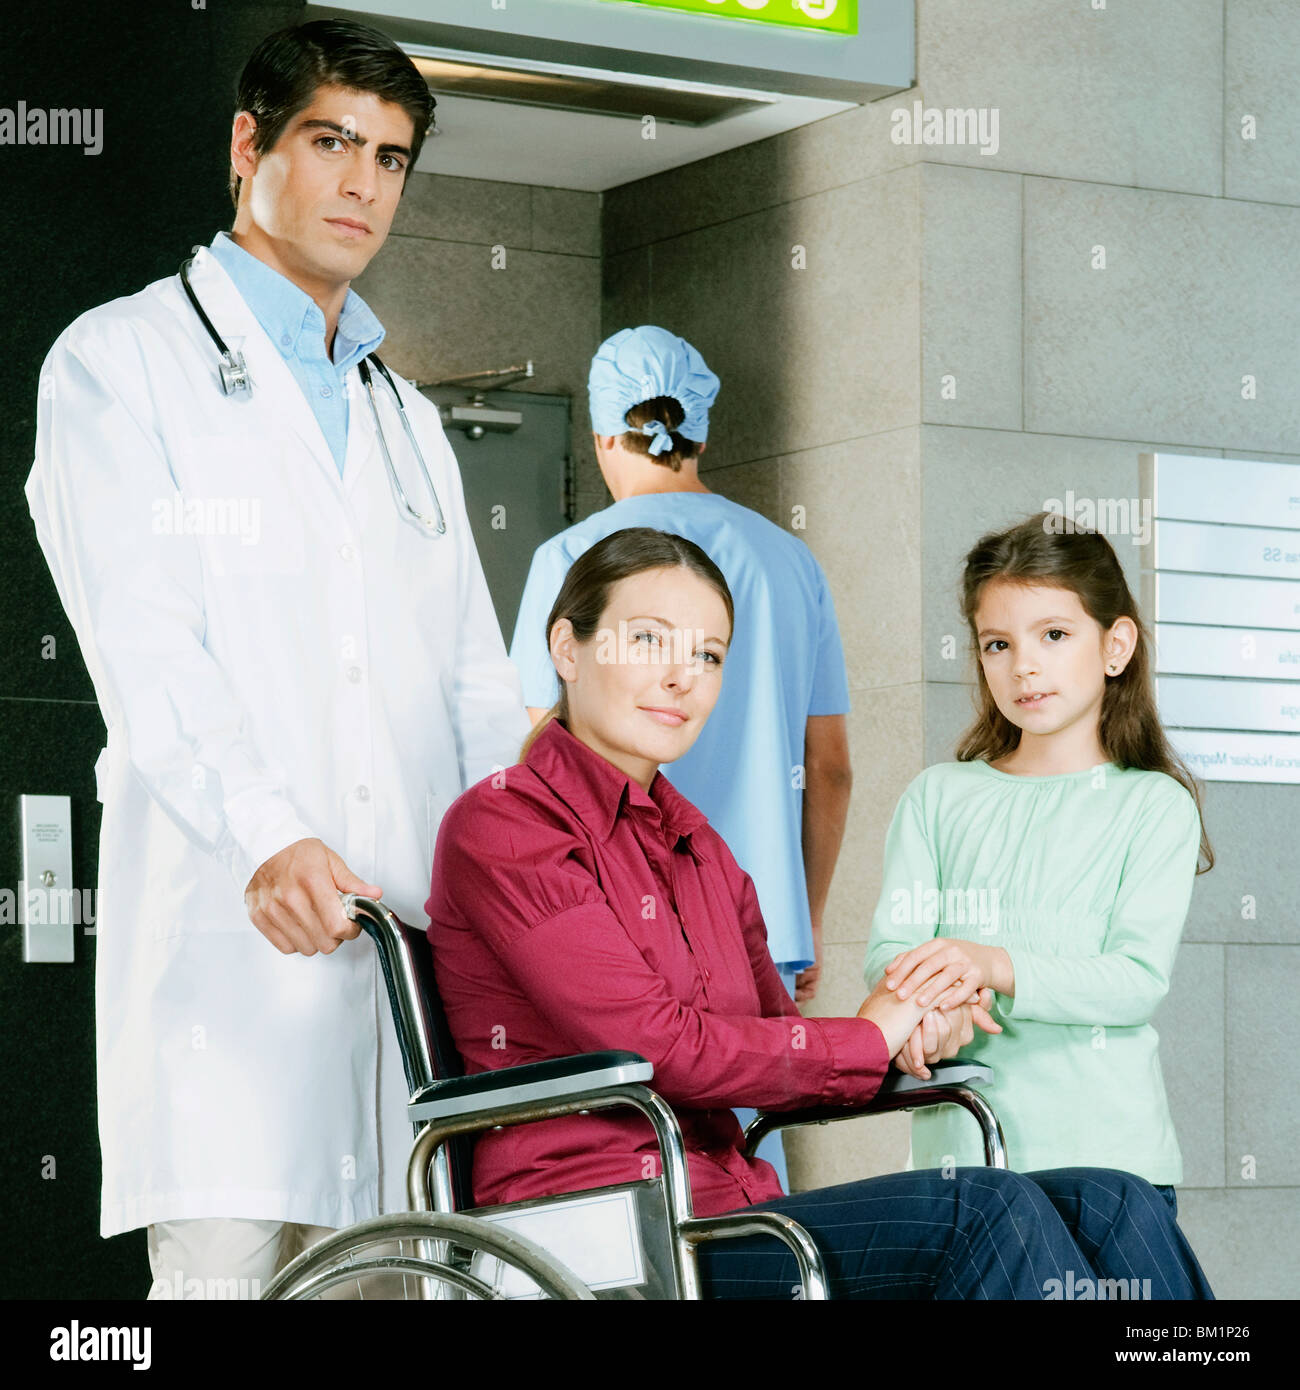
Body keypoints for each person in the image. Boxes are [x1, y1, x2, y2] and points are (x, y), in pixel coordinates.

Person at [25, 19, 528, 1298]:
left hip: (405, 983)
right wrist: (262, 833)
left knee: (401, 1278)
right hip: (229, 978)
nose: (364, 184)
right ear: (249, 145)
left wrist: (523, 884)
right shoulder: (118, 362)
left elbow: (475, 678)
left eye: (393, 159)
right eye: (331, 142)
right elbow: (148, 647)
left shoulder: (404, 417)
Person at [426, 528, 1214, 1299]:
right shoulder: (508, 826)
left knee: (1115, 1199)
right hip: (595, 1221)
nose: (679, 676)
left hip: (723, 1207)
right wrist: (874, 1033)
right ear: (567, 648)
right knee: (983, 1206)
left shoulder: (699, 847)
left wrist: (912, 1031)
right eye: (647, 640)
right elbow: (658, 1044)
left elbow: (779, 1046)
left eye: (707, 655)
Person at [510, 325, 854, 1189]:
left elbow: (532, 766)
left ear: (600, 437)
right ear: (700, 432)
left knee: (631, 1180)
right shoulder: (790, 559)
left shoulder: (571, 562)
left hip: (614, 932)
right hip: (759, 923)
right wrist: (799, 920)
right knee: (749, 1185)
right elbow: (832, 768)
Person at [863, 513, 1213, 1215]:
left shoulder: (1153, 806)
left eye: (1054, 635)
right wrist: (928, 1017)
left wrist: (990, 966)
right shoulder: (937, 796)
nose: (1023, 665)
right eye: (998, 643)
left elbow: (1133, 982)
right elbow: (892, 957)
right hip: (963, 1163)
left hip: (1110, 1166)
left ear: (1115, 646)